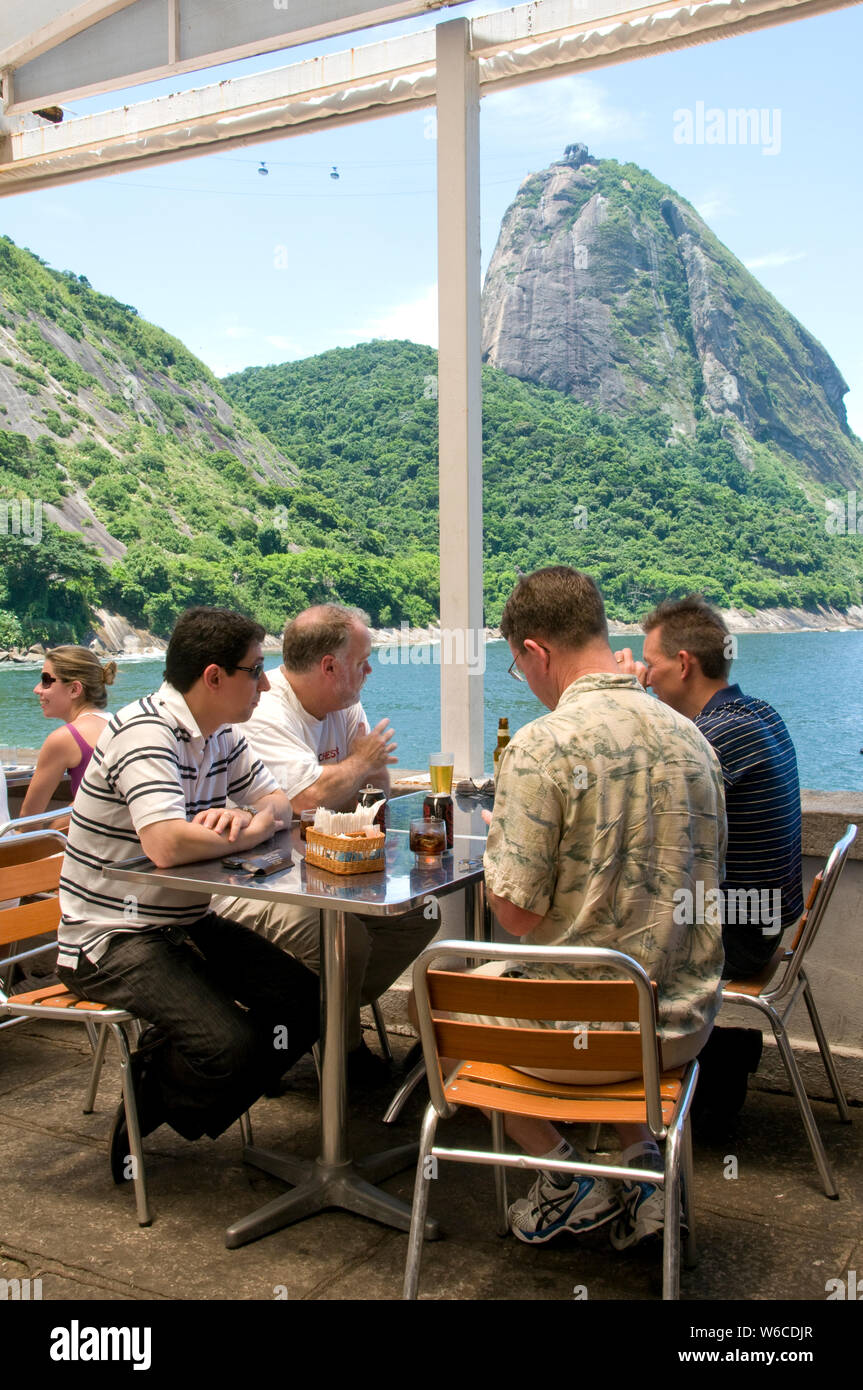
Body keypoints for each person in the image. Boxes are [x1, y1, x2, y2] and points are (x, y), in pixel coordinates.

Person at [479, 567, 726, 1248]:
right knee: (615, 974)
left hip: (575, 1042)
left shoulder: (541, 745)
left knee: (434, 1015)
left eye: (516, 665)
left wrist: (494, 863)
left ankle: (565, 1174)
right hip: (681, 1022)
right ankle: (646, 1170)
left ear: (534, 652)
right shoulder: (693, 739)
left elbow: (516, 916)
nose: (523, 680)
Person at [55, 607, 320, 1179]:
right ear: (214, 677)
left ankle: (167, 1078)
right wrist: (247, 827)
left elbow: (281, 804)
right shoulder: (144, 731)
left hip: (181, 921)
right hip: (110, 936)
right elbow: (167, 845)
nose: (267, 683)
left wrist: (244, 820)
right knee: (232, 1047)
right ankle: (150, 1094)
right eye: (256, 669)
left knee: (305, 1004)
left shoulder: (221, 735)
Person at [214, 604, 438, 1083]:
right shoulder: (265, 710)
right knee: (346, 942)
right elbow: (304, 800)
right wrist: (352, 769)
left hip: (323, 870)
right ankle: (343, 1052)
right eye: (361, 663)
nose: (370, 671)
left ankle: (301, 1018)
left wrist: (351, 773)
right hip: (252, 880)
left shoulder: (342, 701)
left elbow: (379, 783)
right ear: (330, 667)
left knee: (418, 913)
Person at [618, 596, 803, 977]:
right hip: (762, 926)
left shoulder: (711, 738)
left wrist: (624, 701)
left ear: (684, 664)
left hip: (733, 941)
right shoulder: (760, 713)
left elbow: (627, 804)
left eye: (651, 665)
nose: (647, 677)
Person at [20, 648, 116, 817]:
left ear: (74, 689)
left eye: (46, 680)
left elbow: (28, 822)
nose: (37, 689)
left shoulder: (63, 739)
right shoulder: (116, 724)